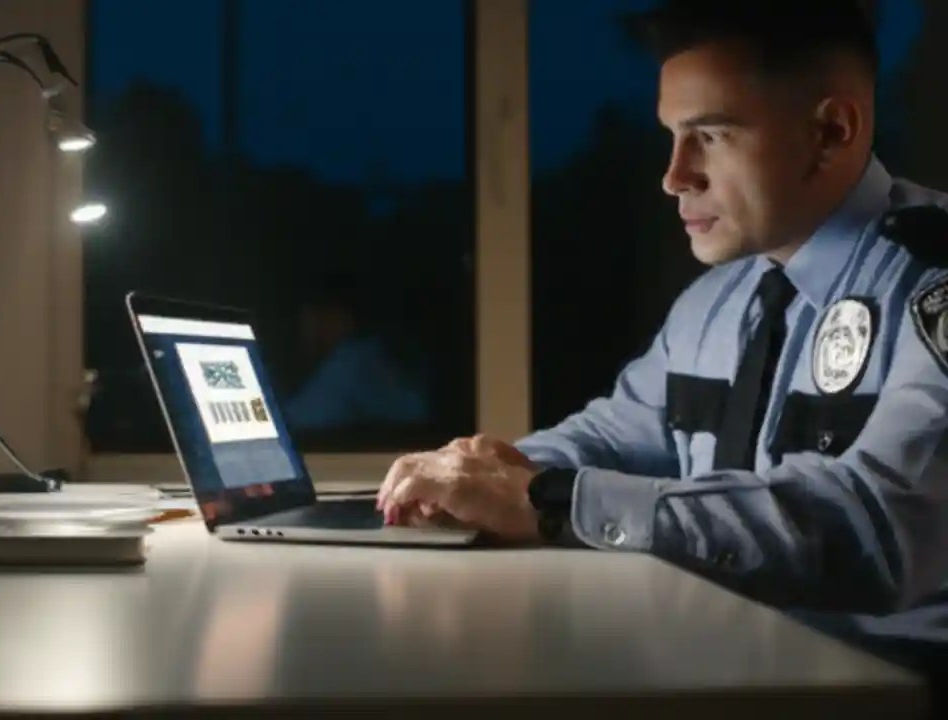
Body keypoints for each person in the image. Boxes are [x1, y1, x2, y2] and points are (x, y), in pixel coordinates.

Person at [377, 0, 948, 682]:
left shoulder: (931, 280)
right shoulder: (717, 302)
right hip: (724, 669)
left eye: (711, 135)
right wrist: (488, 472)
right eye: (673, 136)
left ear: (831, 131)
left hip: (891, 691)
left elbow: (876, 530)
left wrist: (547, 499)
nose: (674, 175)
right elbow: (618, 436)